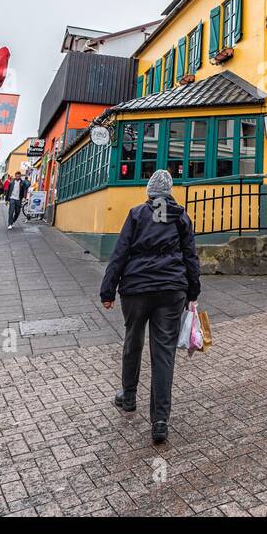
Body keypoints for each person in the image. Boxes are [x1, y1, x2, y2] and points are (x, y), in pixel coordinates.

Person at [99, 169, 201, 445]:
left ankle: (128, 396)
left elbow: (120, 252)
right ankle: (159, 420)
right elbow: (190, 256)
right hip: (171, 290)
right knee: (164, 352)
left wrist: (108, 290)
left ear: (149, 192)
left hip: (136, 289)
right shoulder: (181, 217)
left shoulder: (136, 214)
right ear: (169, 192)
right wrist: (193, 291)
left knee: (133, 339)